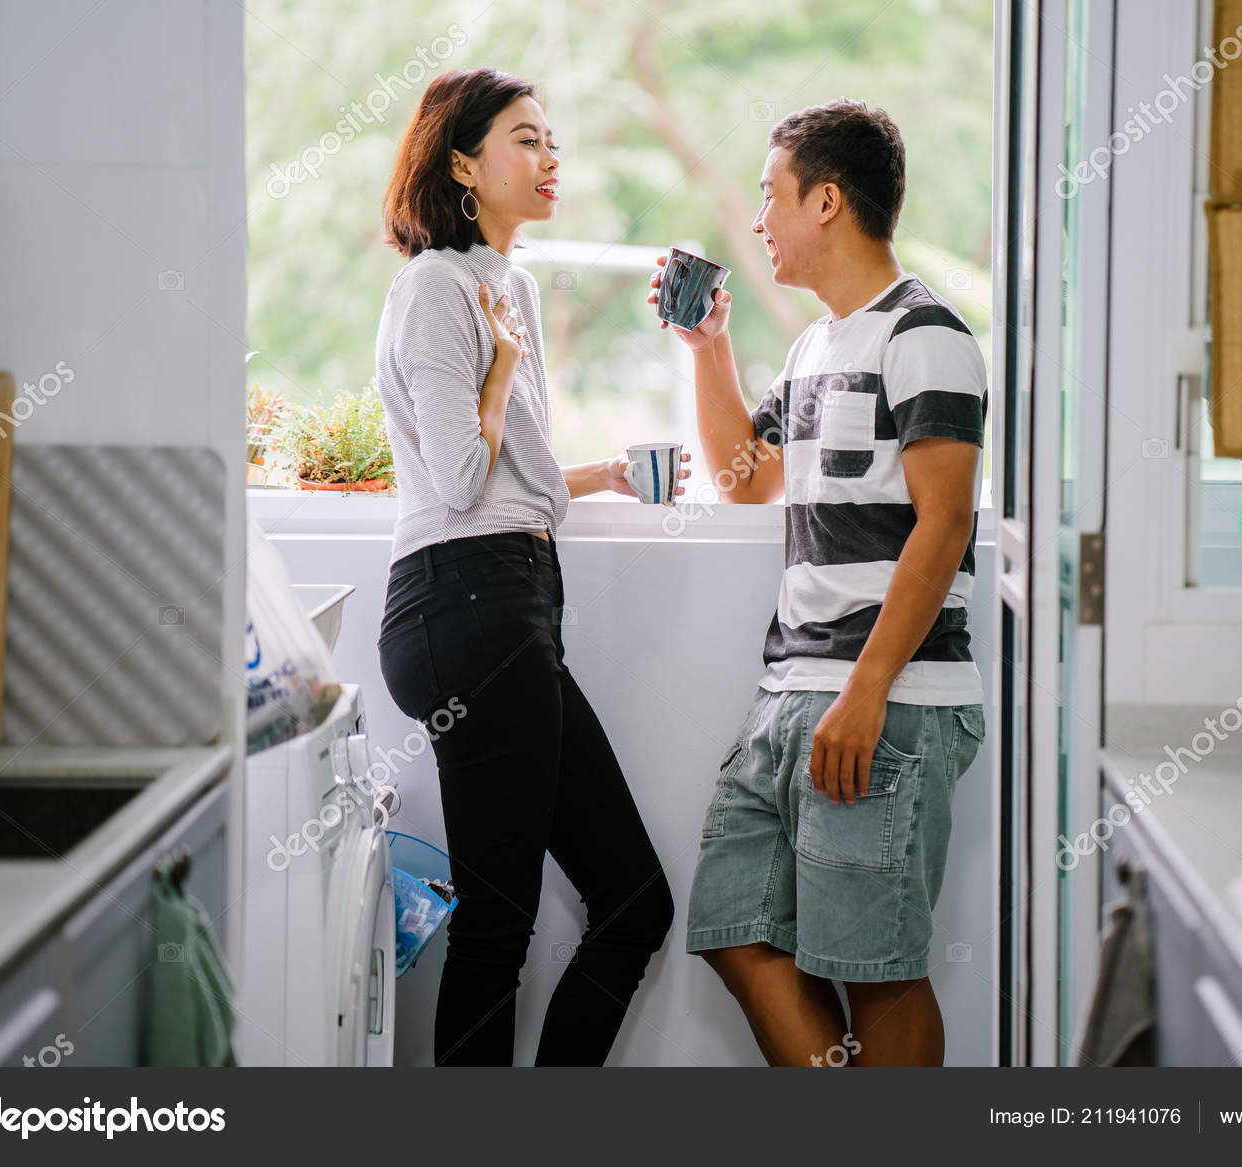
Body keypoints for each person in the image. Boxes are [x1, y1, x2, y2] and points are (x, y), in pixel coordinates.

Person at [648, 98, 988, 1066]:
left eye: (770, 195)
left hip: (886, 699)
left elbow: (945, 523)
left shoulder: (924, 337)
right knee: (732, 930)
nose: (756, 221)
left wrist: (866, 690)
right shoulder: (812, 348)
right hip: (789, 694)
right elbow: (745, 481)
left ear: (826, 200)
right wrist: (708, 348)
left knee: (874, 967)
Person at [375, 66, 684, 1066]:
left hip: (510, 601)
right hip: (463, 603)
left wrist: (614, 474)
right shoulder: (435, 287)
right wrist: (503, 366)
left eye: (553, 140)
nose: (551, 159)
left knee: (633, 903)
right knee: (498, 927)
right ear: (463, 164)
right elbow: (462, 476)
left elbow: (528, 485)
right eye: (525, 140)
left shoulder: (512, 286)